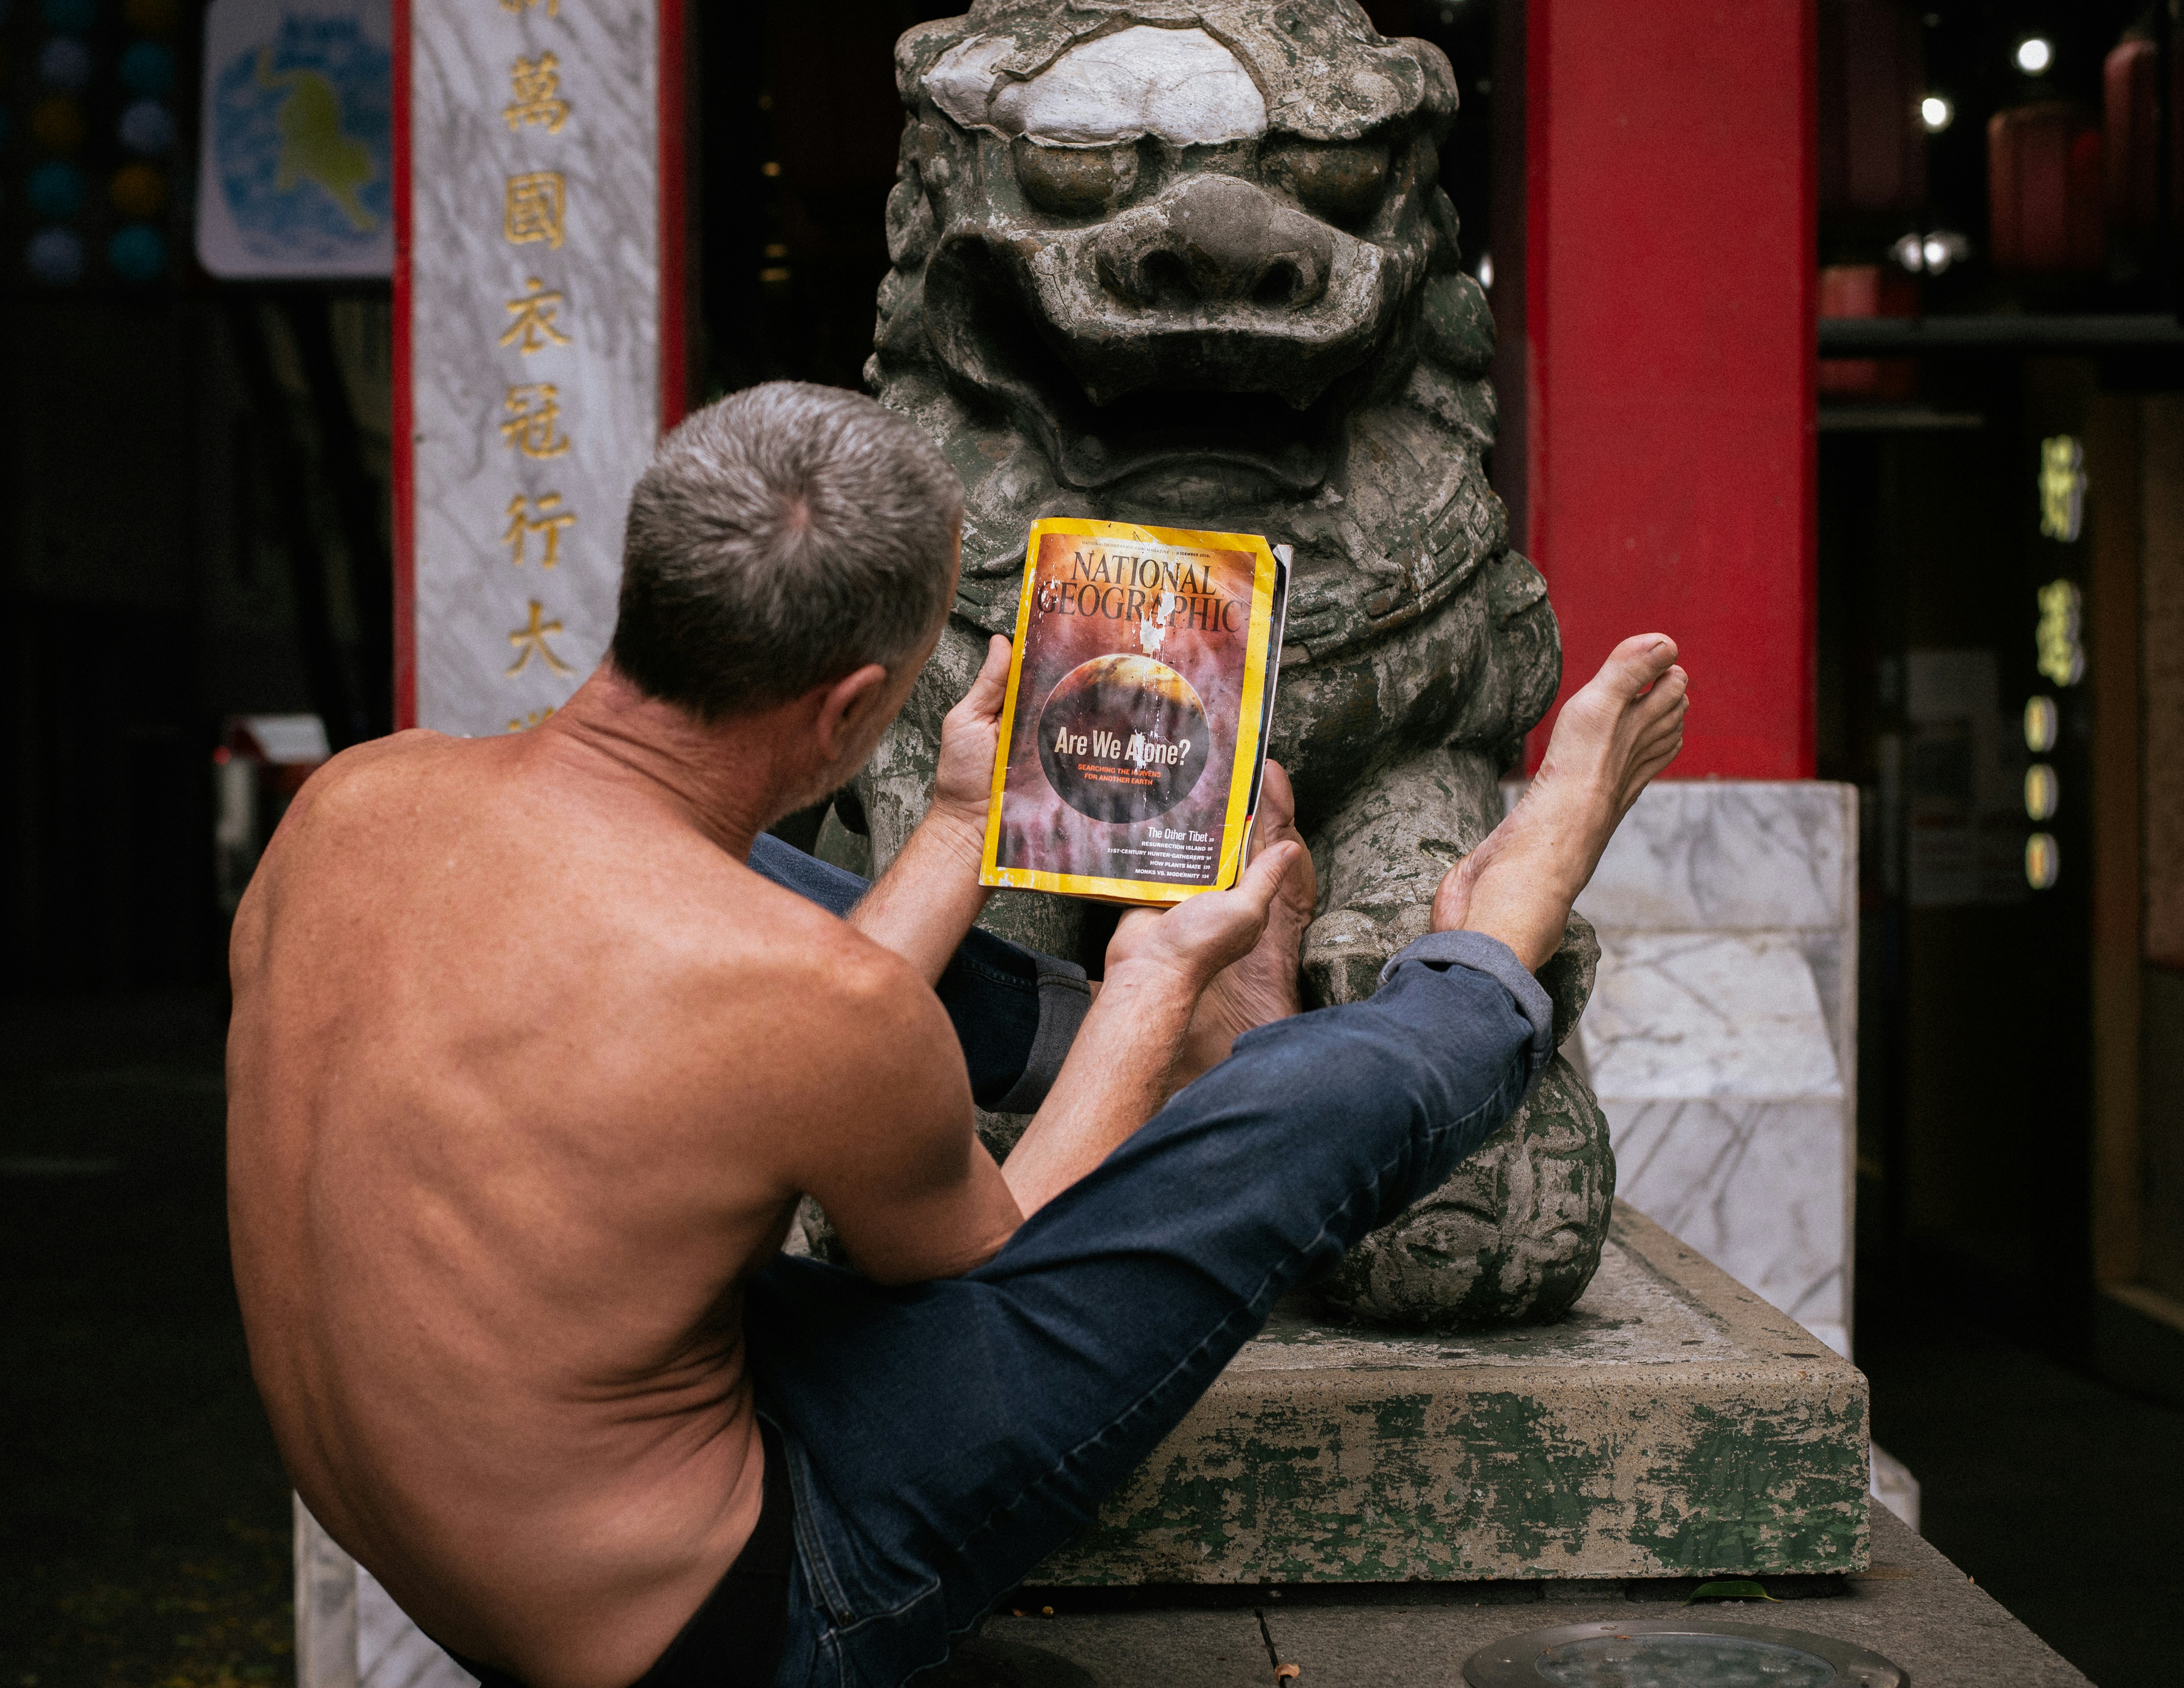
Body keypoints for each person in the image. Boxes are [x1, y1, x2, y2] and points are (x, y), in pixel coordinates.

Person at [226, 383, 1688, 1688]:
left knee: (753, 880)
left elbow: (724, 1027)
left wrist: (951, 818)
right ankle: (1488, 952)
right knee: (1267, 1144)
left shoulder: (353, 801)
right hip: (729, 1627)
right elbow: (1024, 1262)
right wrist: (1154, 978)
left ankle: (1207, 1024)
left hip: (506, 1507)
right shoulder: (811, 1003)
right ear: (856, 701)